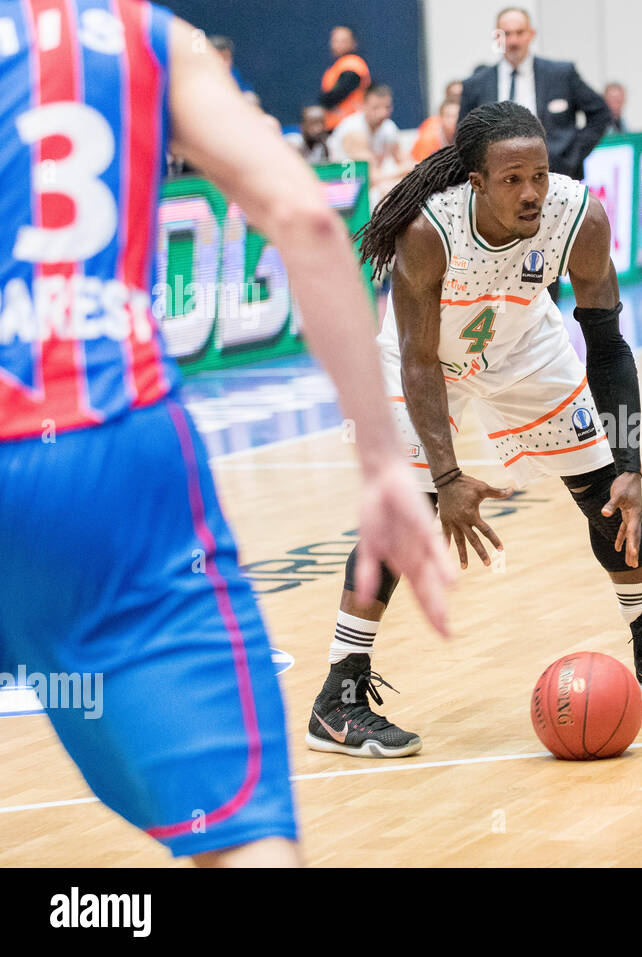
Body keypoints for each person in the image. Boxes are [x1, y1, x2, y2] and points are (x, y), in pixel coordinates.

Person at [0, 0, 453, 866]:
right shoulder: (149, 37)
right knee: (242, 842)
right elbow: (309, 219)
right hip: (114, 450)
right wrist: (382, 461)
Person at [304, 102, 642, 759]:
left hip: (526, 346)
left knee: (608, 493)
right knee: (404, 510)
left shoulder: (578, 216)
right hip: (426, 362)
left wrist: (630, 462)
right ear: (476, 182)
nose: (531, 192)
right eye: (512, 179)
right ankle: (339, 694)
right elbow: (416, 359)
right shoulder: (427, 230)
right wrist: (445, 475)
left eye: (540, 175)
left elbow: (607, 346)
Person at [458, 7, 611, 182]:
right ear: (497, 37)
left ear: (531, 34)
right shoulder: (476, 84)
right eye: (506, 34)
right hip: (498, 184)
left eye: (519, 32)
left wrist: (573, 155)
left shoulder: (561, 74)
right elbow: (463, 136)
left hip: (557, 176)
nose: (513, 41)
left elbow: (600, 113)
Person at [328, 85, 411, 200]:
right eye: (376, 108)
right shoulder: (353, 130)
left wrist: (406, 170)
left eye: (387, 107)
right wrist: (403, 170)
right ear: (363, 106)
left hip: (369, 187)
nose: (383, 113)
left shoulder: (389, 127)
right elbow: (371, 177)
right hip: (342, 190)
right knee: (389, 191)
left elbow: (409, 163)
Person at [321, 24, 371, 131]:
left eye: (343, 41)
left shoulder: (352, 64)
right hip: (336, 124)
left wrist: (323, 100)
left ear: (354, 43)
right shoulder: (338, 65)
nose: (337, 45)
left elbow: (337, 94)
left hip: (349, 125)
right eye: (335, 41)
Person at [411, 99, 460, 163]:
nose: (454, 120)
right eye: (449, 116)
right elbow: (420, 169)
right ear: (440, 119)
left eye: (457, 116)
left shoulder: (468, 136)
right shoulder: (427, 140)